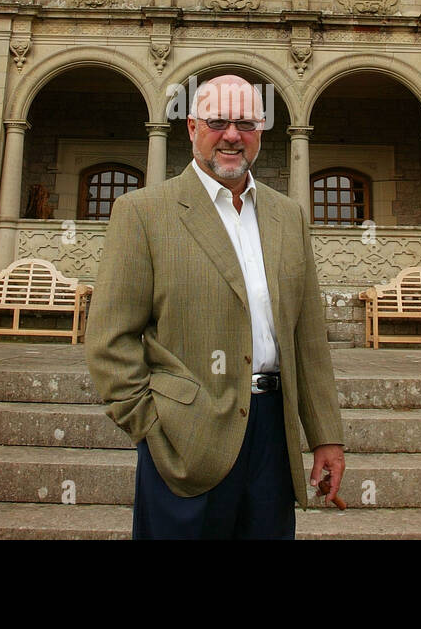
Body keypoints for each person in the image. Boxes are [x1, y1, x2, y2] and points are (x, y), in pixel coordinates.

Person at [85, 74, 345, 539]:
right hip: (186, 434)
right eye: (218, 120)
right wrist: (152, 426)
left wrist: (326, 435)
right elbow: (110, 339)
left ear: (260, 131)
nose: (231, 134)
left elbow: (308, 338)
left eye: (245, 122)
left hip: (272, 437)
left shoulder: (289, 216)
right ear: (191, 127)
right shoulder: (143, 213)